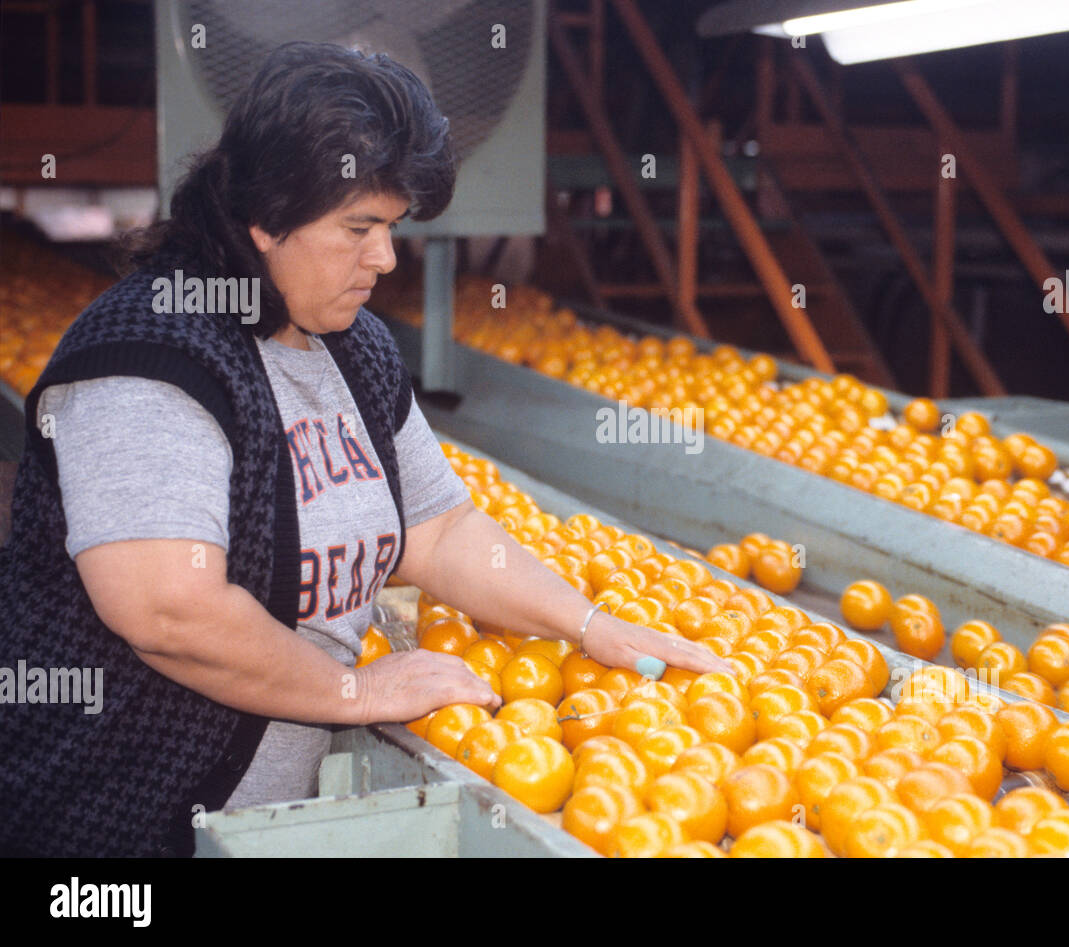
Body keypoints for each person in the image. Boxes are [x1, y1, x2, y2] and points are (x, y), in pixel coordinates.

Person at [0, 41, 729, 858]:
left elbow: (441, 530)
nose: (384, 257)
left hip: (258, 831)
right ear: (266, 219)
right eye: (360, 228)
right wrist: (352, 686)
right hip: (112, 835)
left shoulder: (353, 347)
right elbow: (168, 608)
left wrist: (587, 622)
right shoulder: (147, 357)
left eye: (391, 227)